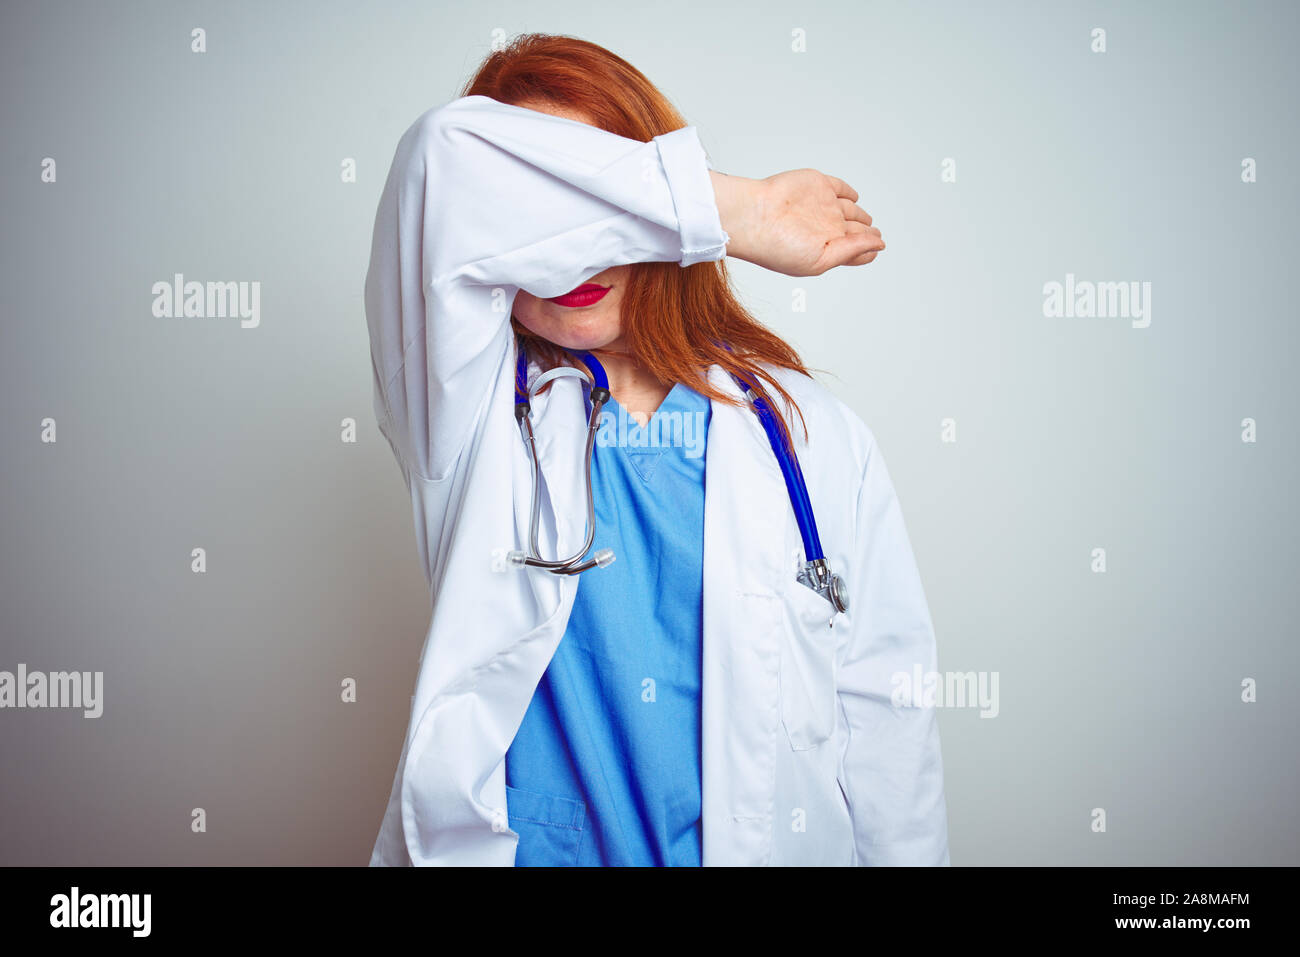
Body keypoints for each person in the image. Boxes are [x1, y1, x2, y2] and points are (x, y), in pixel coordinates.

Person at [364, 33, 949, 866]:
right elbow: (440, 156)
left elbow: (890, 730)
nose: (573, 257)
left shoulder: (810, 437)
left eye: (596, 210)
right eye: (543, 217)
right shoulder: (464, 408)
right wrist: (743, 215)